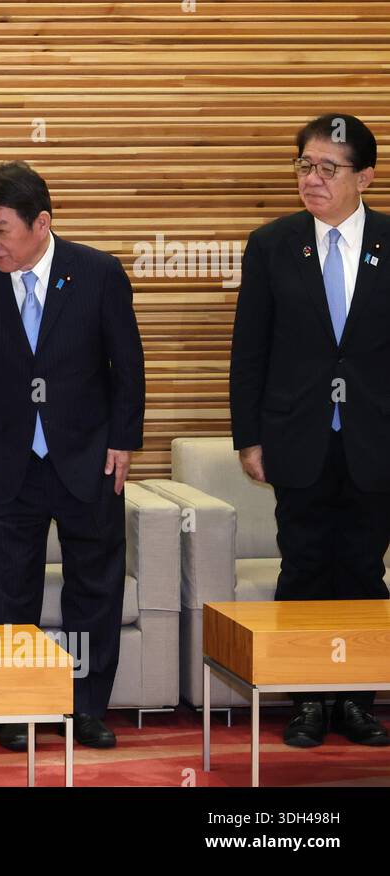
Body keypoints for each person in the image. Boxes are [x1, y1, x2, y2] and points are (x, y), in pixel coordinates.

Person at [0, 161, 145, 751]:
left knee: (94, 587)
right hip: (10, 460)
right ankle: (12, 707)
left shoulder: (97, 273)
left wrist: (122, 440)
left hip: (89, 456)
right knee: (7, 590)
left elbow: (127, 367)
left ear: (41, 223)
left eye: (1, 230)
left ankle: (84, 707)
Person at [230, 113, 389, 748]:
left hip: (376, 440)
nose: (312, 179)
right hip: (298, 438)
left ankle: (356, 700)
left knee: (361, 571)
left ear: (366, 178)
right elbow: (250, 350)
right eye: (305, 165)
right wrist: (249, 436)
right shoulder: (272, 245)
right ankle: (306, 702)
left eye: (328, 168)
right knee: (302, 569)